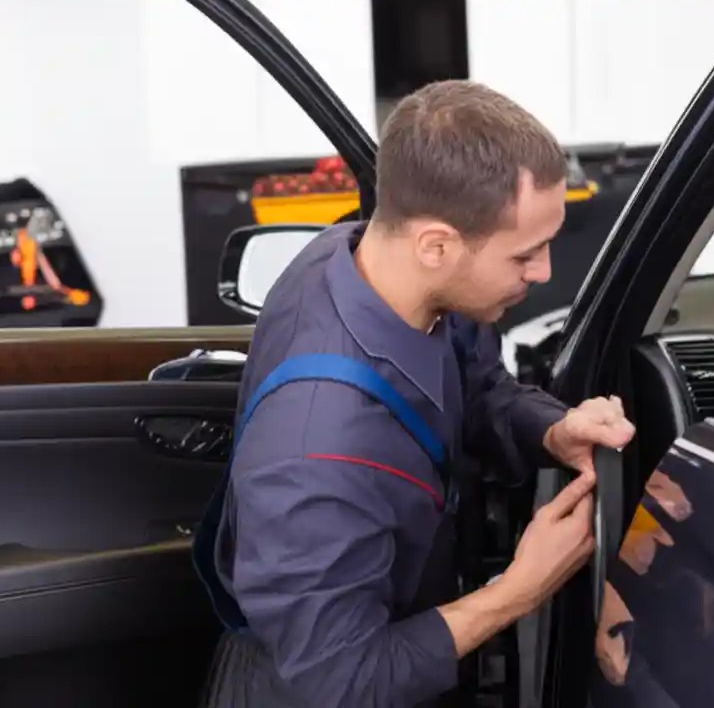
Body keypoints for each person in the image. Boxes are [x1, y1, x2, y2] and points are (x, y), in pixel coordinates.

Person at [195, 79, 635, 708]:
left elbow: (477, 384)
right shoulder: (318, 450)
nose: (542, 273)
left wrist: (550, 430)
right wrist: (519, 591)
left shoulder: (369, 261)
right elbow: (340, 681)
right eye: (526, 255)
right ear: (436, 245)